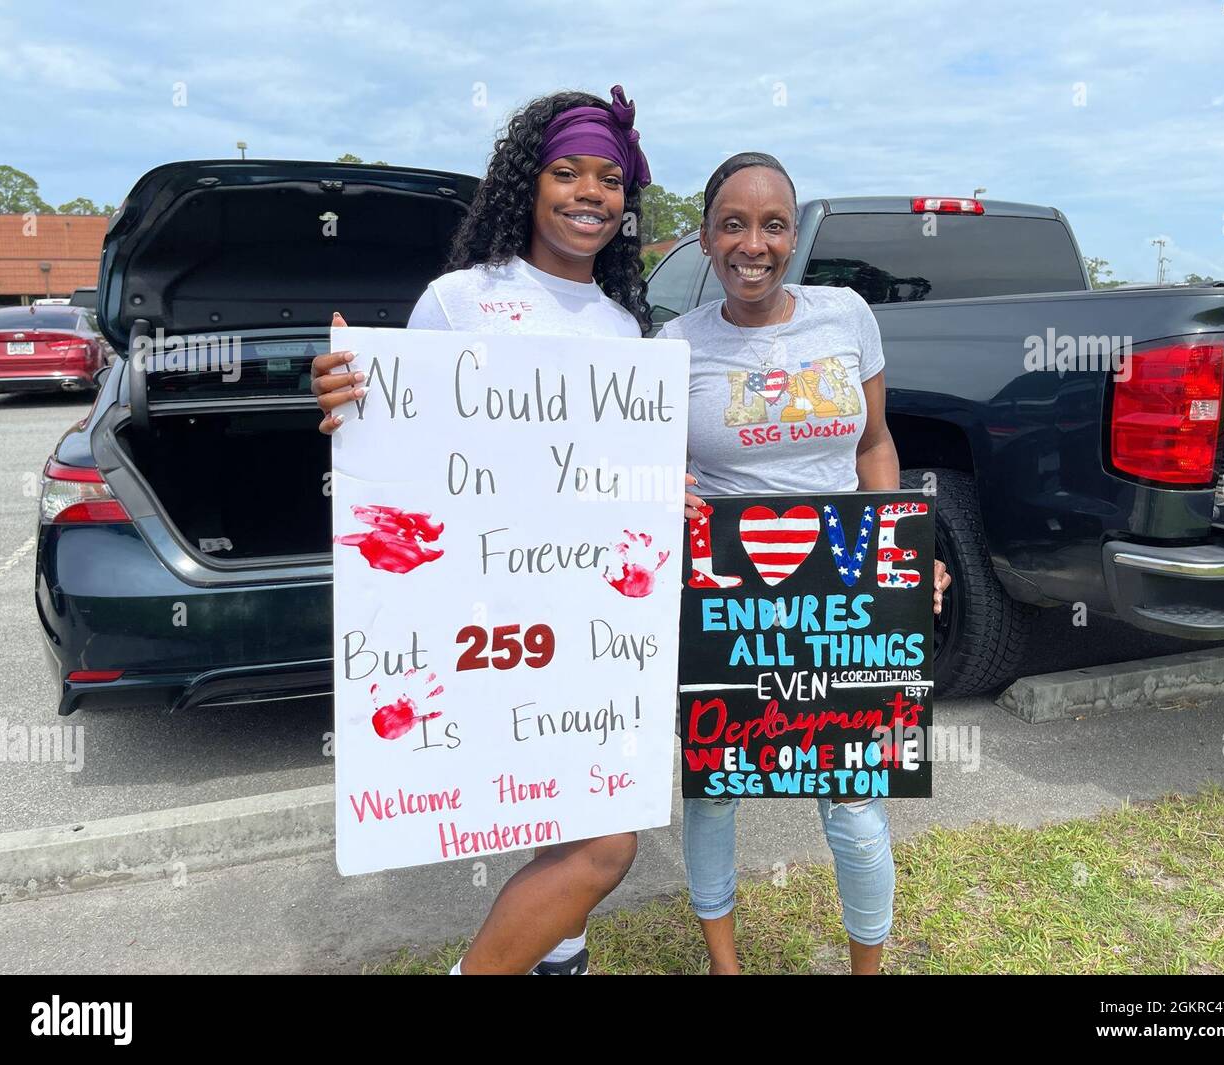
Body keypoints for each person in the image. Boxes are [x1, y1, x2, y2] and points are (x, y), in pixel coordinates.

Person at [310, 87, 654, 975]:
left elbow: (613, 475)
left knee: (576, 823)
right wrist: (348, 401)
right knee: (602, 843)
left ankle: (560, 961)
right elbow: (404, 452)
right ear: (525, 185)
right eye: (566, 171)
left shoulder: (624, 328)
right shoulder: (460, 301)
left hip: (590, 622)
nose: (590, 193)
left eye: (610, 180)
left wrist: (663, 495)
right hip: (488, 614)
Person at [664, 152, 952, 975]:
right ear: (706, 235)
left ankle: (867, 969)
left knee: (856, 798)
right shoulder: (674, 343)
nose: (752, 243)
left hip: (840, 582)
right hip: (723, 593)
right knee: (716, 788)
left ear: (794, 236)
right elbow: (648, 464)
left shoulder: (846, 315)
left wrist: (903, 551)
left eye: (772, 224)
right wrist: (667, 492)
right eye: (732, 223)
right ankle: (726, 965)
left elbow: (874, 443)